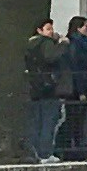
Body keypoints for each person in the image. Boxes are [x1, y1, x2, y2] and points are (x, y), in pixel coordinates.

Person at [22, 22, 65, 163]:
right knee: (48, 121)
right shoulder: (47, 43)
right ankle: (45, 153)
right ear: (39, 30)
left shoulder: (30, 45)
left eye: (52, 28)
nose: (51, 31)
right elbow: (51, 57)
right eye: (48, 29)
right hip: (48, 87)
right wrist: (62, 44)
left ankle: (34, 152)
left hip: (34, 87)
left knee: (36, 122)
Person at [59, 16, 87, 156]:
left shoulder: (76, 42)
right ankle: (75, 149)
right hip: (77, 87)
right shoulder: (77, 44)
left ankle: (74, 148)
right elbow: (78, 68)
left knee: (75, 118)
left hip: (76, 85)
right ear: (78, 28)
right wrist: (81, 90)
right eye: (85, 27)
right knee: (76, 119)